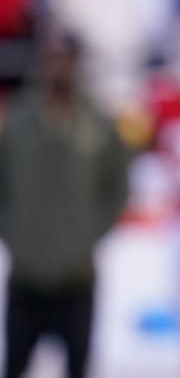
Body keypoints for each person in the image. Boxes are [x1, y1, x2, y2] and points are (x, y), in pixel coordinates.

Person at [0, 28, 132, 378]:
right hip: (25, 277)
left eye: (65, 59)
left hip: (76, 278)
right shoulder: (16, 121)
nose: (57, 68)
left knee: (78, 367)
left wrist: (86, 233)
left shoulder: (98, 124)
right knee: (14, 365)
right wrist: (15, 233)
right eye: (51, 59)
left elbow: (117, 186)